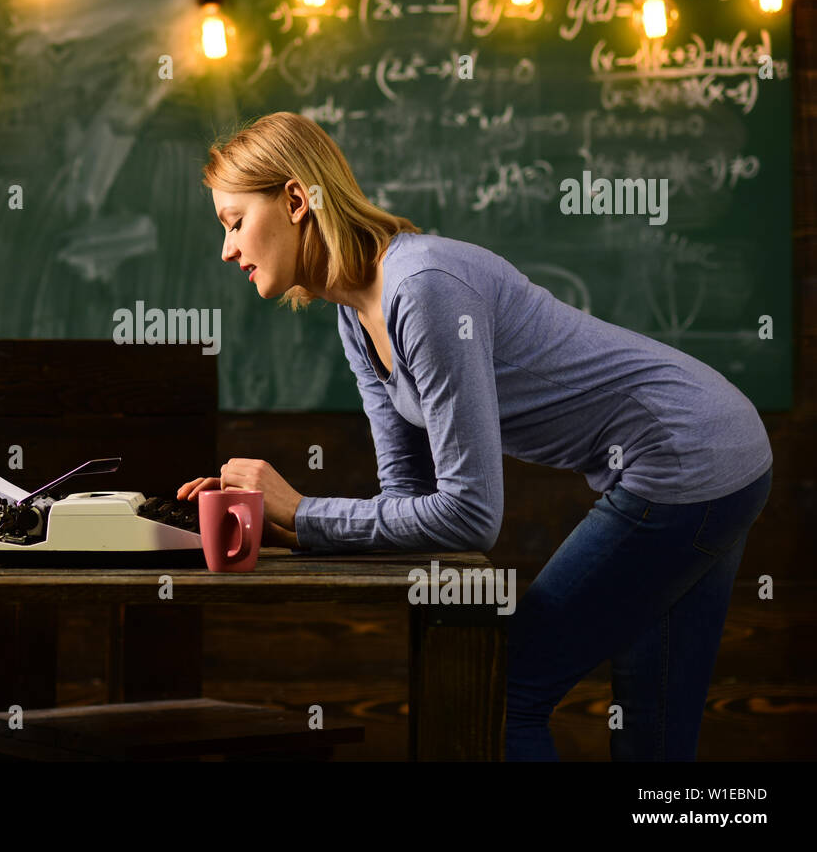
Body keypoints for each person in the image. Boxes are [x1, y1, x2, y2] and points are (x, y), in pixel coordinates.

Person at [176, 111, 772, 761]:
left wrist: (306, 510)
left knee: (507, 689)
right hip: (715, 451)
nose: (228, 249)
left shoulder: (423, 289)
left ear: (295, 199)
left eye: (234, 221)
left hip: (685, 455)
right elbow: (407, 496)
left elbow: (469, 514)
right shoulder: (356, 314)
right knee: (652, 729)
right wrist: (285, 524)